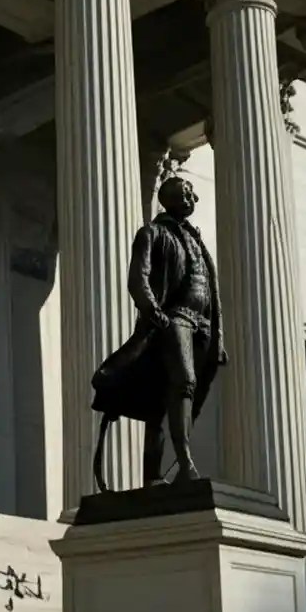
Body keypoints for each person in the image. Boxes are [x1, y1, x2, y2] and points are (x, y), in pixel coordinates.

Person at [91, 176, 227, 489]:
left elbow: (212, 291)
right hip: (173, 318)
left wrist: (218, 335)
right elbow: (138, 277)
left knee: (162, 402)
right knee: (184, 383)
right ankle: (186, 465)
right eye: (187, 192)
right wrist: (152, 309)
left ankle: (152, 474)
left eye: (193, 193)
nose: (194, 198)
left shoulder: (197, 240)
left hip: (202, 324)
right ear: (169, 198)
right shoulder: (152, 233)